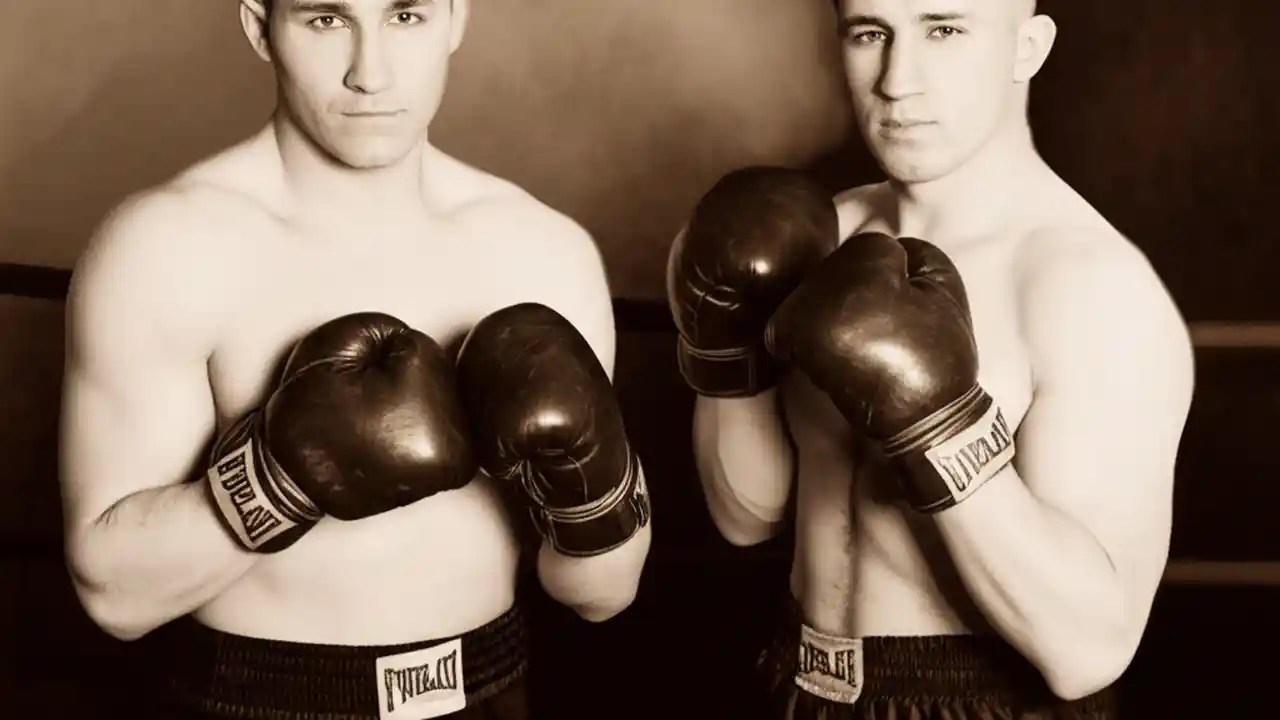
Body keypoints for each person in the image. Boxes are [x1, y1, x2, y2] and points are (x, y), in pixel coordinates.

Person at [58, 1, 652, 717]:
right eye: (326, 20)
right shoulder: (167, 247)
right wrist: (283, 477)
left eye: (406, 16)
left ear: (456, 18)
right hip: (259, 700)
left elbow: (604, 593)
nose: (370, 73)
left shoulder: (543, 252)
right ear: (259, 27)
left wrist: (590, 488)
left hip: (490, 691)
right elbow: (115, 597)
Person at [667, 0, 1194, 717]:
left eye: (944, 30)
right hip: (797, 682)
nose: (897, 80)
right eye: (870, 33)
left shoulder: (1084, 284)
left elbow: (1088, 652)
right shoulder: (821, 232)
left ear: (1027, 48)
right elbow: (748, 518)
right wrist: (722, 353)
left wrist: (942, 424)